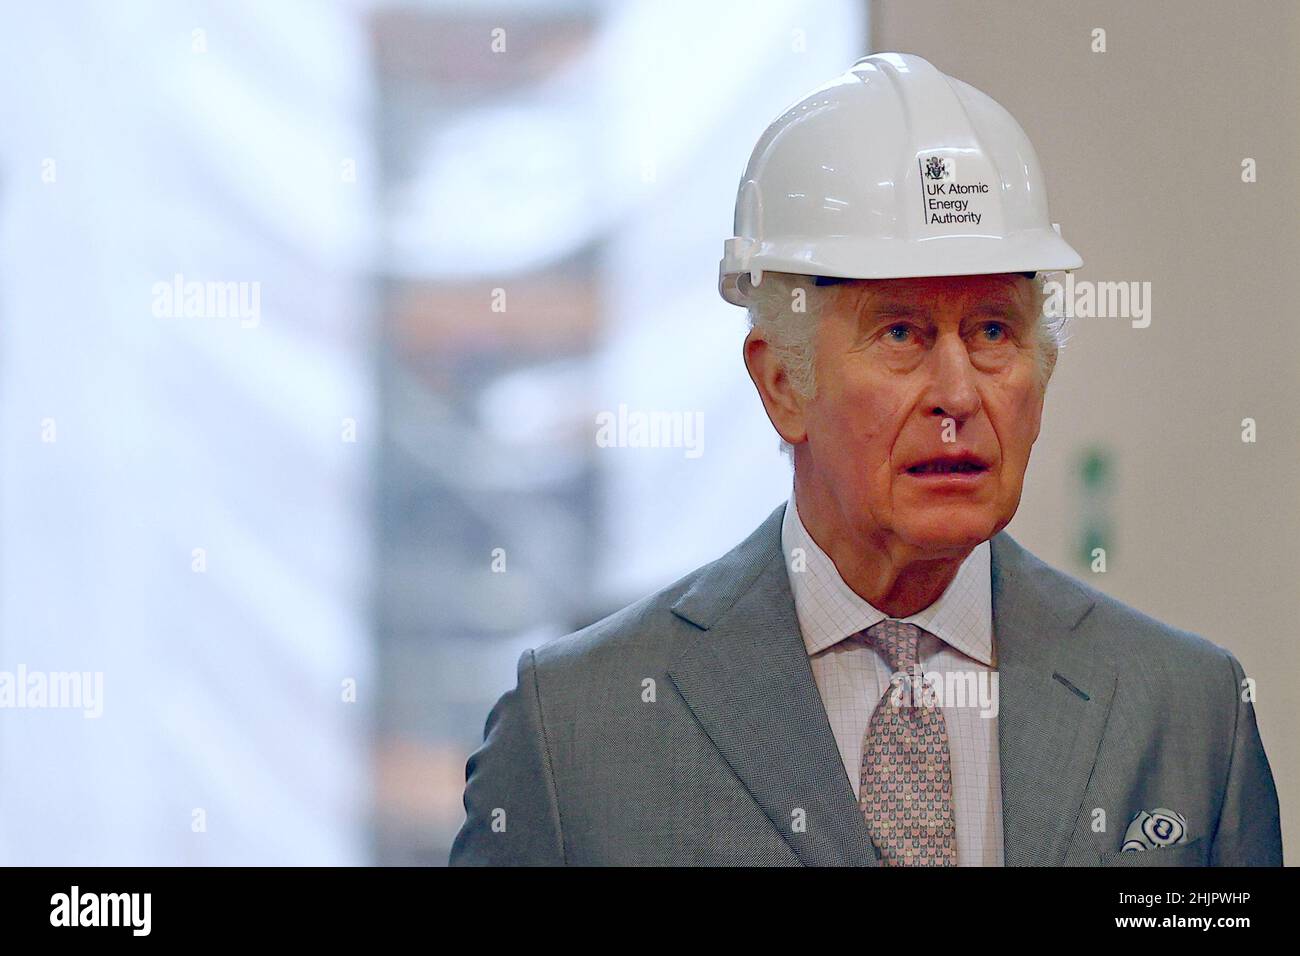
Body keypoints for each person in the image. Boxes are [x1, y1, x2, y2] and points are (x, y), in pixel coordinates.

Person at [449, 53, 1282, 866]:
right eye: (901, 334)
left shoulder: (1184, 715)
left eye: (993, 330)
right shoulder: (578, 734)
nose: (958, 394)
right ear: (782, 383)